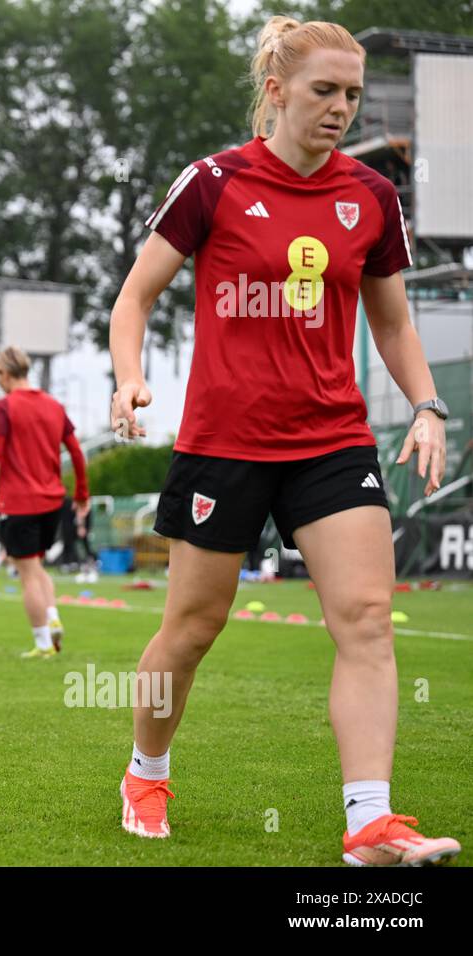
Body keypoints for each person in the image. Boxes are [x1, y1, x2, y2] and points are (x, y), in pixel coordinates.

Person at [109, 16, 459, 865]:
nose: (340, 108)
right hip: (224, 443)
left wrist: (427, 405)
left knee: (369, 620)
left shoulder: (371, 198)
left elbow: (393, 322)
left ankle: (370, 822)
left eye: (351, 94)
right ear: (276, 91)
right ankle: (146, 771)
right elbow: (133, 299)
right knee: (193, 627)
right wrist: (127, 377)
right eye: (323, 91)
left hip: (332, 441)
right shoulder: (214, 182)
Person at [0, 346, 89, 659]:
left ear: (4, 374)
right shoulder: (54, 405)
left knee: (26, 572)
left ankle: (42, 643)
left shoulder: (4, 407)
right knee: (36, 566)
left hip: (19, 502)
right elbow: (77, 453)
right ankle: (51, 615)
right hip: (53, 502)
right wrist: (81, 494)